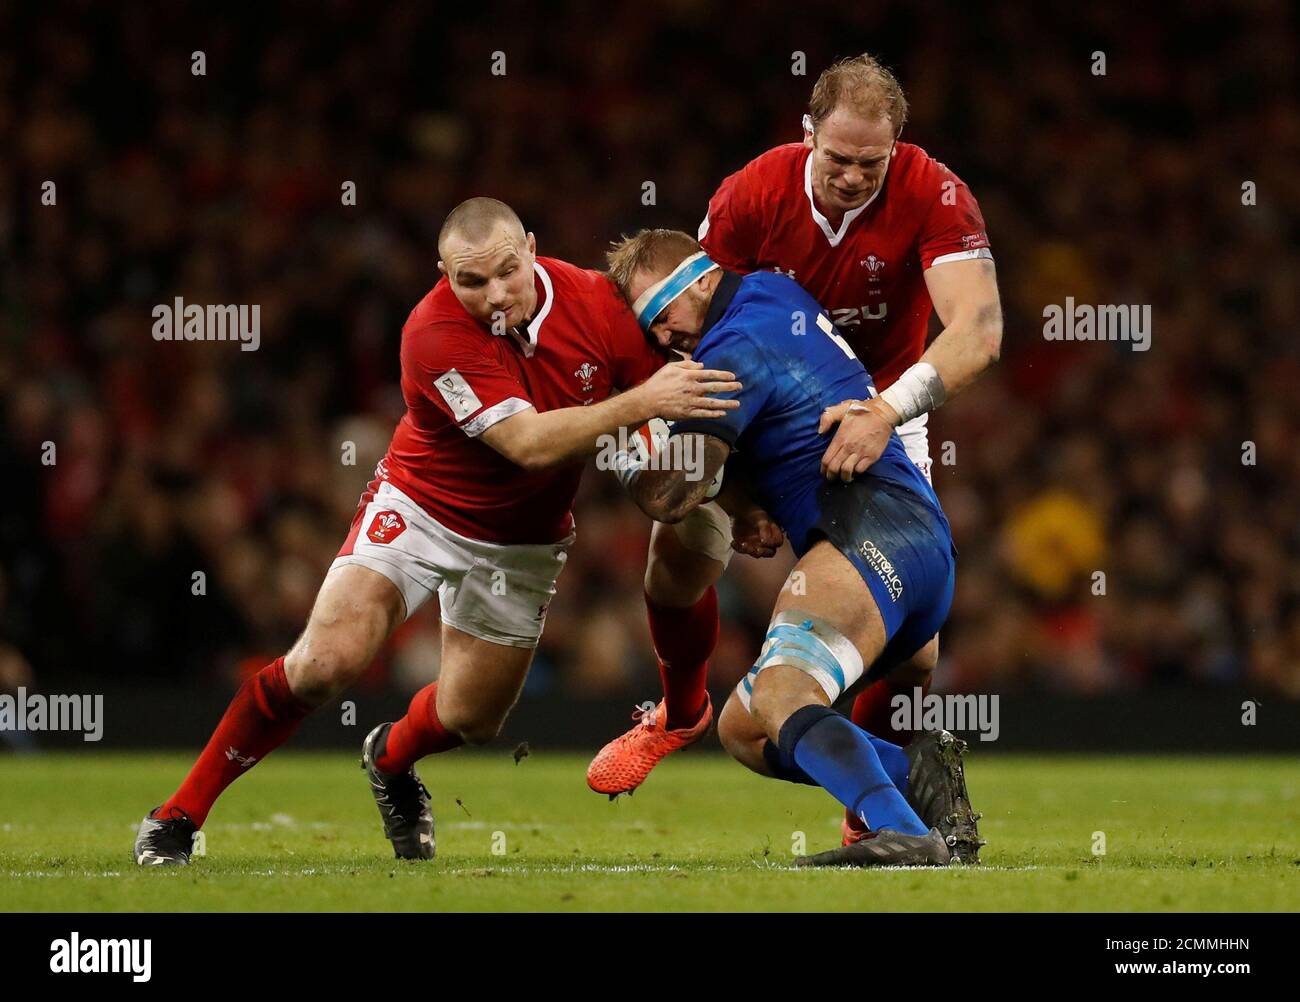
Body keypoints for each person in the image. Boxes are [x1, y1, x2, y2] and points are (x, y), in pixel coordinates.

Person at [133, 198, 741, 865]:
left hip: (524, 540)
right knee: (325, 663)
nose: (493, 294)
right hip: (421, 508)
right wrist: (642, 403)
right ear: (444, 274)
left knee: (471, 719)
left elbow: (678, 416)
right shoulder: (432, 332)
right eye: (470, 281)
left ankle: (389, 761)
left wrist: (738, 496)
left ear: (532, 249)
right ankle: (176, 816)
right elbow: (527, 444)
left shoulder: (599, 308)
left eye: (506, 272)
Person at [587, 55, 1000, 854]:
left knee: (890, 666)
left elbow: (978, 332)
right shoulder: (751, 197)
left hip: (881, 407)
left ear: (898, 147)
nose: (850, 177)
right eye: (835, 158)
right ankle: (681, 712)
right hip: (764, 420)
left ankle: (886, 817)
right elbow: (695, 337)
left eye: (869, 163)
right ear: (806, 133)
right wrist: (741, 501)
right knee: (683, 577)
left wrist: (886, 410)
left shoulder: (933, 191)